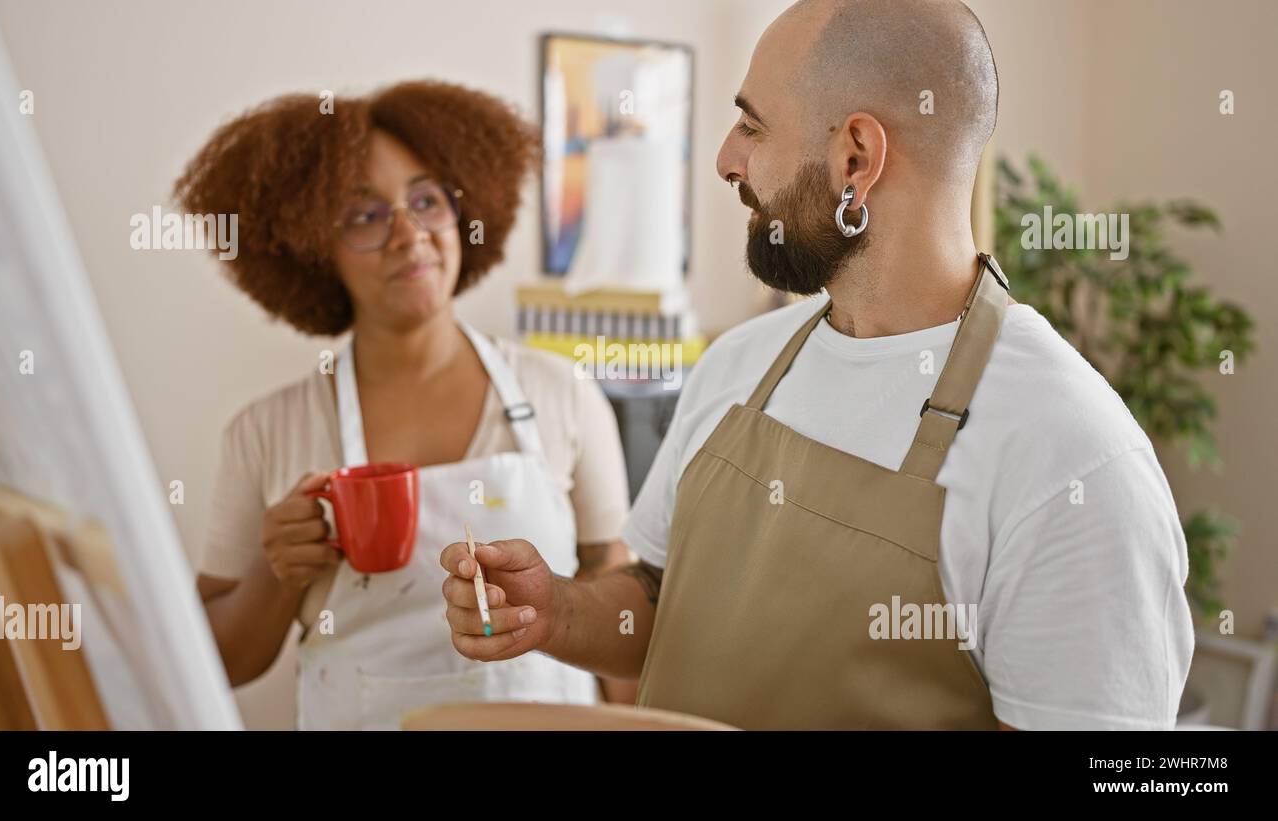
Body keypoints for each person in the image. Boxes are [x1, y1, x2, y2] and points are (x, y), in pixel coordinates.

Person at [438, 0, 1193, 730]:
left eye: (752, 125)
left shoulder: (1074, 463)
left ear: (856, 158)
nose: (728, 159)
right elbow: (662, 598)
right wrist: (557, 610)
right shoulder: (741, 363)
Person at [180, 80, 631, 729]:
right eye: (364, 214)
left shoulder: (563, 393)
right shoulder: (265, 432)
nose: (408, 233)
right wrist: (276, 573)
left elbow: (616, 613)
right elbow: (215, 660)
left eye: (426, 200)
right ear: (313, 248)